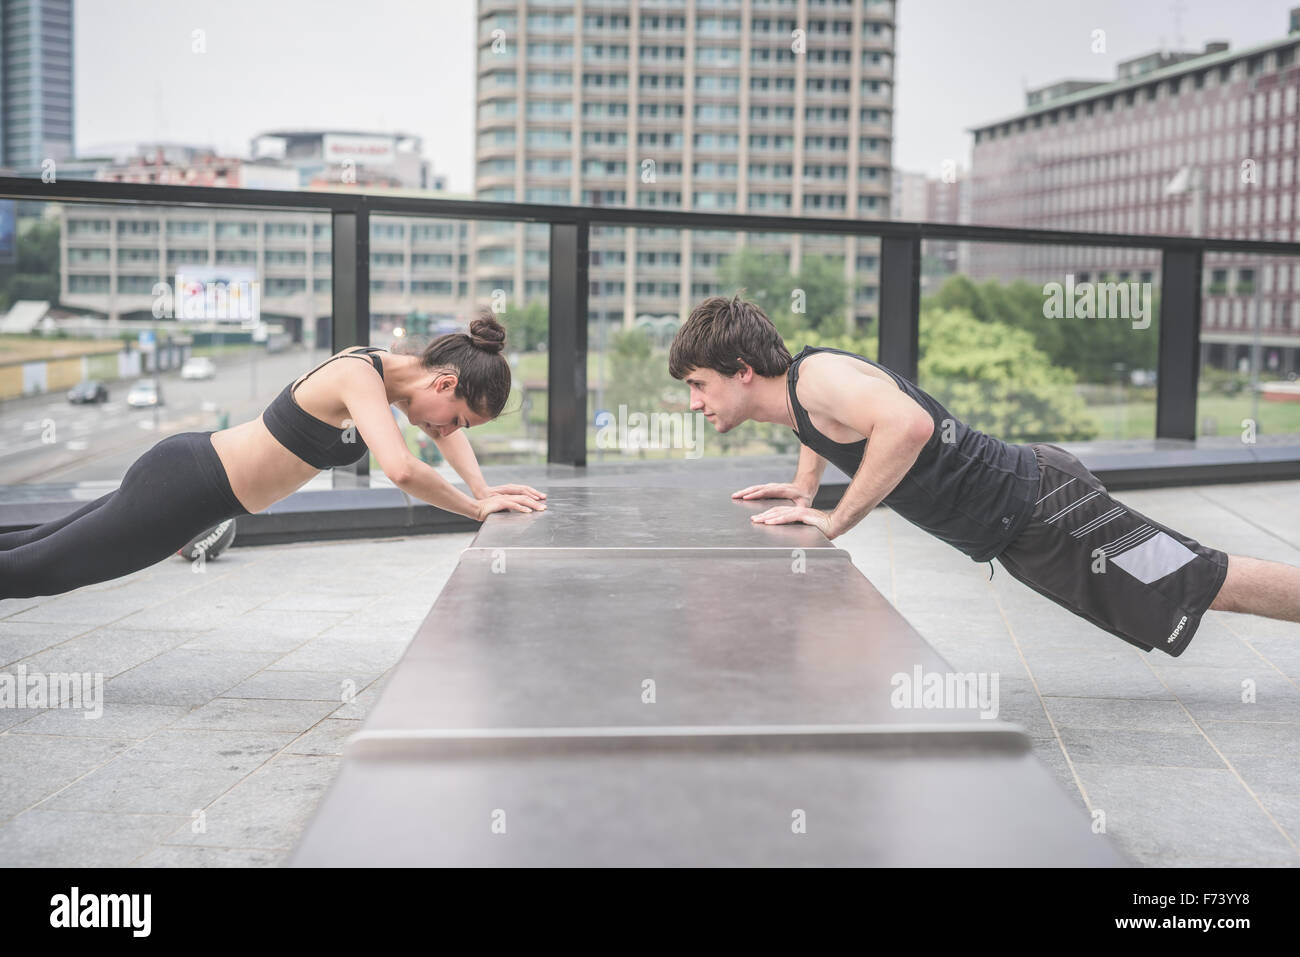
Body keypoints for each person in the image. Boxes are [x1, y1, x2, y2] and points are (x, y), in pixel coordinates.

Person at [669, 294, 1300, 658]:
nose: (696, 401)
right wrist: (806, 486)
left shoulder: (819, 379)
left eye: (700, 384)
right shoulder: (803, 391)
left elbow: (908, 427)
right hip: (1027, 521)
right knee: (1197, 580)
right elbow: (822, 428)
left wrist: (836, 520)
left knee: (1202, 578)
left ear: (743, 368)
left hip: (1050, 509)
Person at [1, 311, 545, 599]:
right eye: (456, 416)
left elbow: (446, 437)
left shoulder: (402, 387)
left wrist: (483, 489)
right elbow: (402, 468)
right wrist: (473, 511)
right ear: (446, 382)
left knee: (32, 544)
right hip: (187, 486)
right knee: (43, 569)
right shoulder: (360, 376)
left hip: (190, 481)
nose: (447, 430)